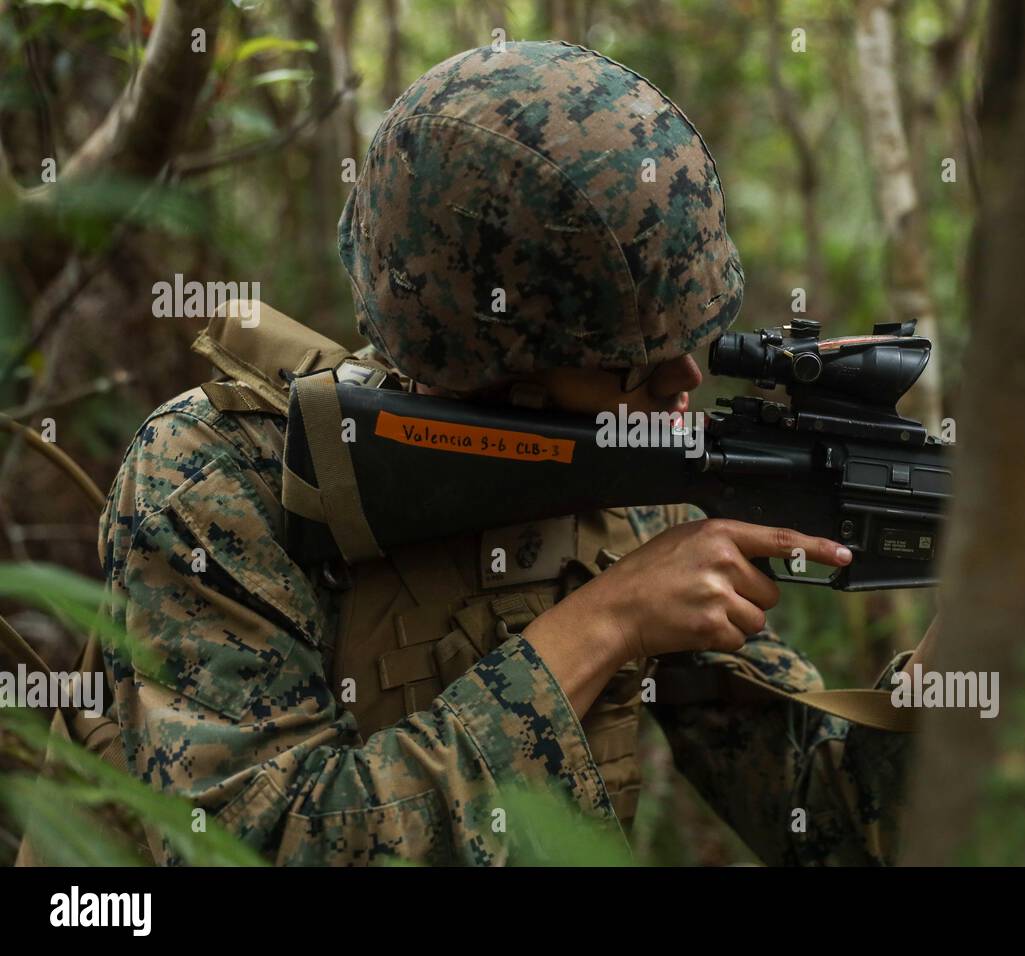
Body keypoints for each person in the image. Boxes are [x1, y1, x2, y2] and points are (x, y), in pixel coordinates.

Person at [99, 40, 930, 866]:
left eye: (696, 343)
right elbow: (251, 847)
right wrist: (606, 623)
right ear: (493, 362)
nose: (684, 380)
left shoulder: (637, 473)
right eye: (628, 363)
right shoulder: (216, 480)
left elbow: (832, 823)